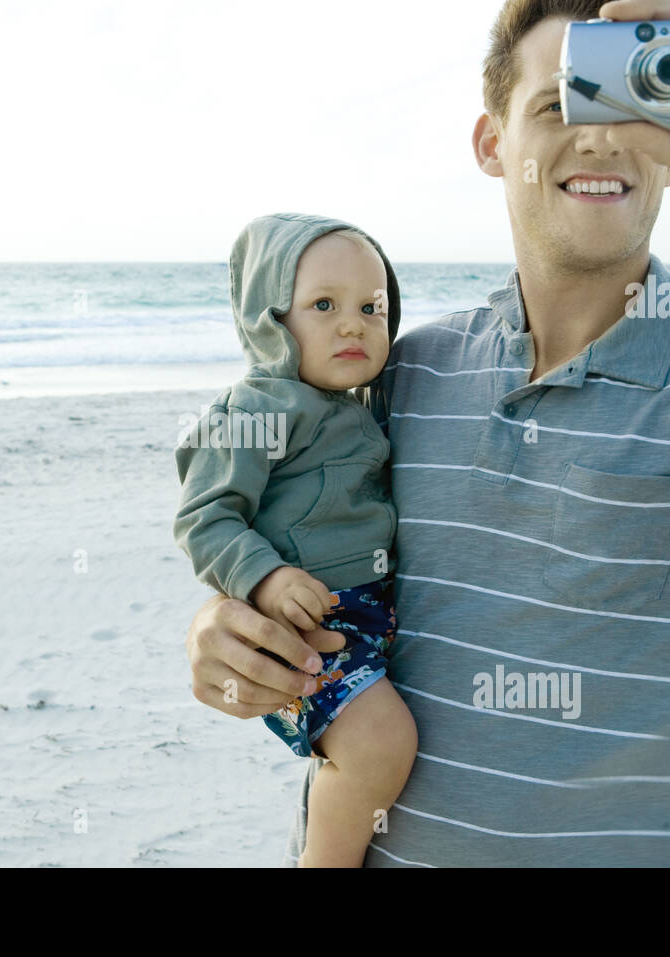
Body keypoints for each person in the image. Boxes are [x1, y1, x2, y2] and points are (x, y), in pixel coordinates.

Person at [184, 0, 670, 867]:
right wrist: (235, 626)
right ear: (491, 144)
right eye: (561, 106)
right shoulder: (402, 374)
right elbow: (290, 543)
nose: (598, 140)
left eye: (630, 108)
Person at [173, 214, 417, 866]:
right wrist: (266, 578)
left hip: (368, 613)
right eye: (324, 305)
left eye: (373, 307)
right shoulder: (257, 410)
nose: (353, 324)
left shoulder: (364, 405)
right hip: (305, 630)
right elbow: (206, 516)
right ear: (269, 320)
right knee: (380, 744)